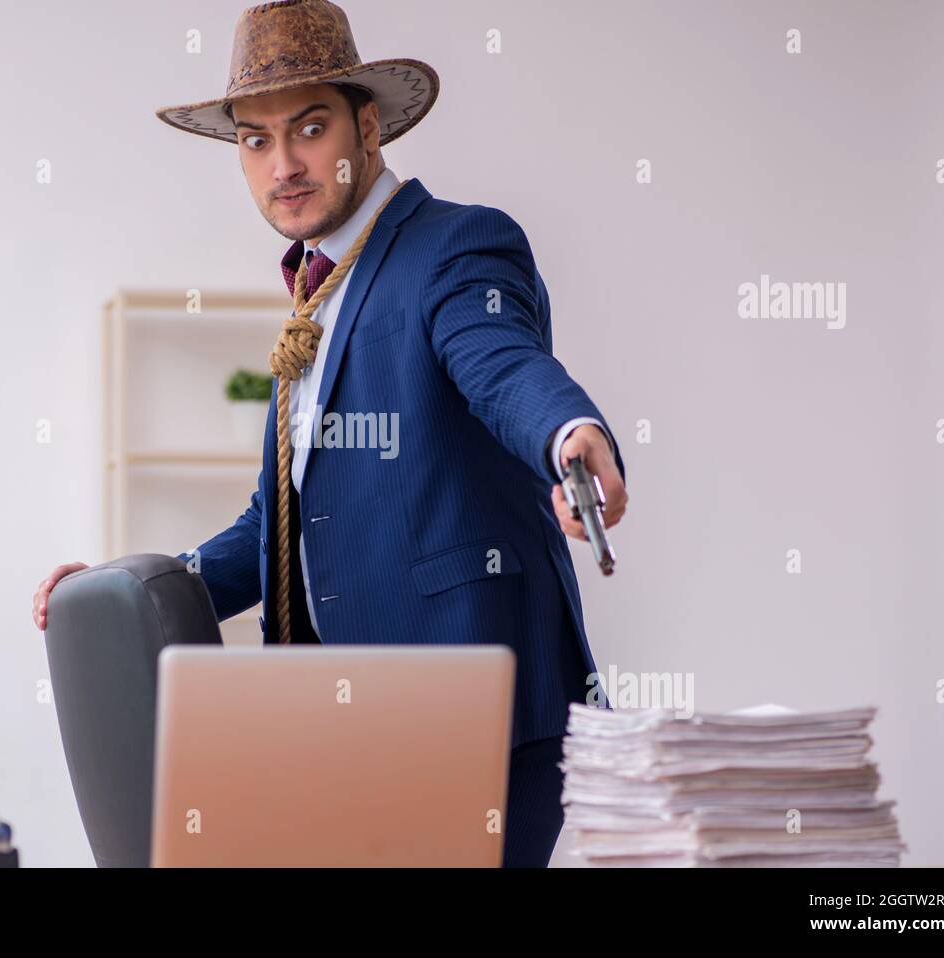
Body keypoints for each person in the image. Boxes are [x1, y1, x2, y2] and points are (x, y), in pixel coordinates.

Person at [34, 0, 628, 868]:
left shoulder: (455, 247)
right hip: (344, 733)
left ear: (369, 124)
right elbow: (273, 530)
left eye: (309, 128)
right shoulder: (311, 311)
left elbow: (501, 365)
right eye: (255, 139)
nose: (284, 164)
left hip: (475, 722)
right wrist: (132, 590)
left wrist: (569, 433)